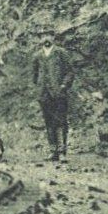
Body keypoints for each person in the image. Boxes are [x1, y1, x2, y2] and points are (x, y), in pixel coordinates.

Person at [33, 31, 72, 162]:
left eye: (48, 35)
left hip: (59, 94)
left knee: (60, 122)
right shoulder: (37, 56)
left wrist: (63, 86)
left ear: (53, 37)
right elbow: (34, 76)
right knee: (49, 123)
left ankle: (62, 153)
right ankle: (53, 151)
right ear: (40, 39)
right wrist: (40, 87)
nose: (46, 38)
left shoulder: (61, 53)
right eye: (43, 36)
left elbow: (70, 72)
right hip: (44, 95)